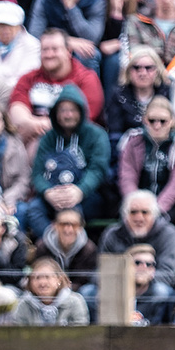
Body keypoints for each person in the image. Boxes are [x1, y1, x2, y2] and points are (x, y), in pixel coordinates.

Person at [25, 83, 110, 236]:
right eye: (63, 110)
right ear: (55, 113)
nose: (68, 115)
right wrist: (47, 192)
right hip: (53, 194)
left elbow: (98, 169)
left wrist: (79, 191)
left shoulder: (97, 135)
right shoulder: (48, 138)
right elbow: (37, 172)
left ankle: (74, 248)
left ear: (81, 111)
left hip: (85, 194)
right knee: (33, 210)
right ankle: (53, 245)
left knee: (73, 214)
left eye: (72, 110)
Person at [0, 257, 92, 350]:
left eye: (47, 277)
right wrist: (35, 349)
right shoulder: (24, 304)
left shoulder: (75, 301)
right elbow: (18, 334)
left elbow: (80, 333)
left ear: (58, 280)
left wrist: (57, 349)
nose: (42, 282)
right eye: (37, 278)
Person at [97, 190, 175, 324]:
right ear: (125, 215)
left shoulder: (168, 234)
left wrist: (142, 280)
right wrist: (130, 279)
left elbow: (167, 275)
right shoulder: (112, 234)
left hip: (151, 288)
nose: (139, 217)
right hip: (116, 289)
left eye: (145, 212)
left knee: (162, 292)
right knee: (89, 292)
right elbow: (100, 272)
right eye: (133, 212)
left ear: (154, 215)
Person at [118, 95, 175, 230]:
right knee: (128, 220)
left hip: (172, 202)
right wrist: (138, 205)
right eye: (152, 120)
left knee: (160, 224)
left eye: (163, 121)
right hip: (139, 198)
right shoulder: (133, 140)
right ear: (144, 120)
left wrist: (155, 209)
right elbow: (127, 177)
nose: (157, 125)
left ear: (172, 121)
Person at [27, 0, 105, 71]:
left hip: (80, 50)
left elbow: (92, 37)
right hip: (50, 46)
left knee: (89, 54)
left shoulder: (96, 1)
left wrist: (71, 7)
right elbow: (34, 34)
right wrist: (66, 42)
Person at [107, 47, 171, 152]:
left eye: (148, 68)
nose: (142, 73)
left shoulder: (167, 93)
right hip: (127, 151)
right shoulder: (118, 95)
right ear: (128, 71)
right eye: (136, 68)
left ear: (157, 70)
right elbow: (115, 132)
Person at [30, 206, 98, 292]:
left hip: (78, 291)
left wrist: (65, 288)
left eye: (74, 225)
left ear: (81, 227)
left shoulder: (89, 249)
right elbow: (39, 274)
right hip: (49, 291)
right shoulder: (43, 246)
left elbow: (85, 279)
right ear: (54, 225)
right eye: (63, 224)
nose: (68, 229)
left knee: (88, 291)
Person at [0, 2, 42, 91]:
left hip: (18, 94)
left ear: (19, 26)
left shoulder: (33, 45)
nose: (5, 30)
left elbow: (25, 77)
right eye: (1, 25)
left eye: (10, 25)